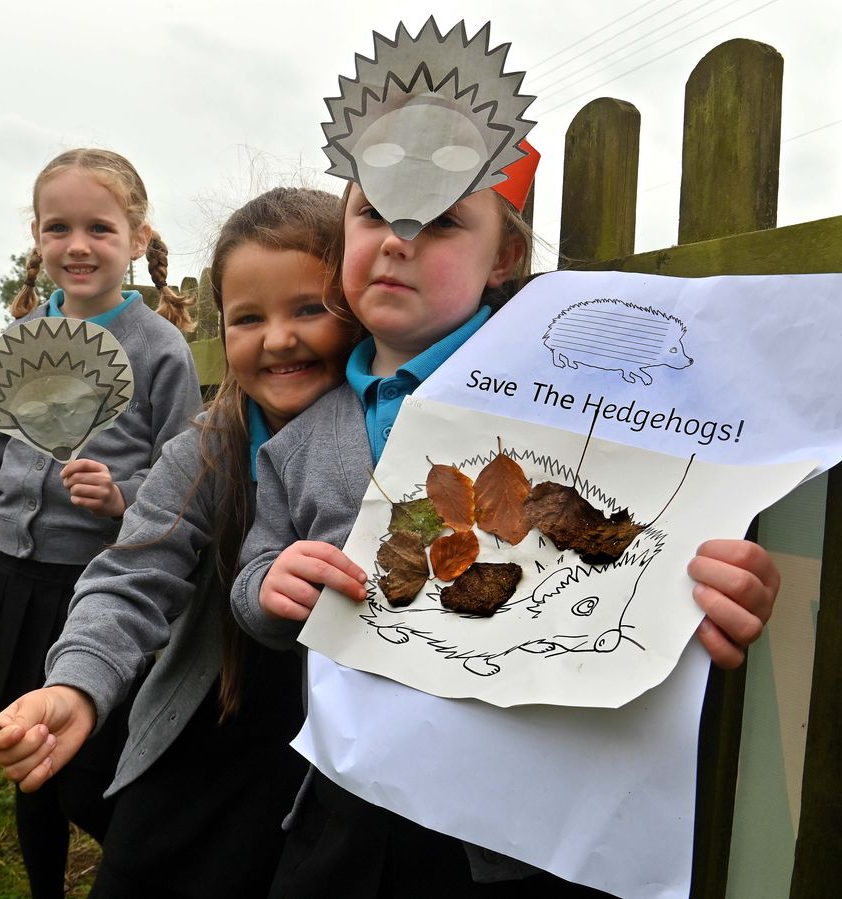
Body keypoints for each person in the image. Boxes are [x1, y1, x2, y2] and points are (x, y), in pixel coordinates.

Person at [224, 154, 782, 897]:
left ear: (505, 256)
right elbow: (254, 572)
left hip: (520, 832)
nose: (399, 239)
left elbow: (652, 541)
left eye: (445, 220)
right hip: (352, 808)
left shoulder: (576, 395)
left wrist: (710, 584)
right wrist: (270, 587)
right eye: (375, 214)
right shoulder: (297, 440)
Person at [0, 187, 360, 897]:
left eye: (308, 308)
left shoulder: (393, 433)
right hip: (220, 722)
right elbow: (132, 569)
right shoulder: (211, 448)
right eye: (248, 318)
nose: (277, 338)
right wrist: (77, 680)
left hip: (344, 760)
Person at [0, 148, 202, 897]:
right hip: (11, 580)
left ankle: (139, 867)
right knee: (26, 757)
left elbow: (185, 473)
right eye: (58, 228)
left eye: (99, 227)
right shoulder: (17, 339)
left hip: (98, 590)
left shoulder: (160, 348)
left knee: (87, 765)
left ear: (136, 238)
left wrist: (123, 496)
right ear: (37, 238)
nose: (78, 245)